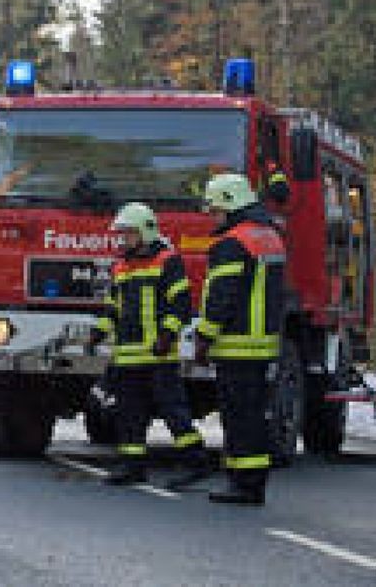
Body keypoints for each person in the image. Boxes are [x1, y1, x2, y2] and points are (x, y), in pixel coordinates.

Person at [88, 202, 212, 488]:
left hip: (159, 356)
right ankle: (132, 467)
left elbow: (180, 304)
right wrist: (98, 332)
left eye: (128, 233)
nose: (123, 239)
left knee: (173, 411)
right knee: (129, 413)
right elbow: (113, 307)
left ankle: (197, 462)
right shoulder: (121, 266)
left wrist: (167, 336)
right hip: (128, 357)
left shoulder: (168, 261)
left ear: (145, 232)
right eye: (121, 234)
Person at [195, 173, 286, 506]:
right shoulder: (269, 236)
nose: (213, 218)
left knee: (238, 416)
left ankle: (244, 484)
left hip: (237, 343)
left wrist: (204, 336)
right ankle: (250, 480)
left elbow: (222, 295)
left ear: (231, 204)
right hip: (262, 342)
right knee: (253, 415)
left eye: (216, 210)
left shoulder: (232, 243)